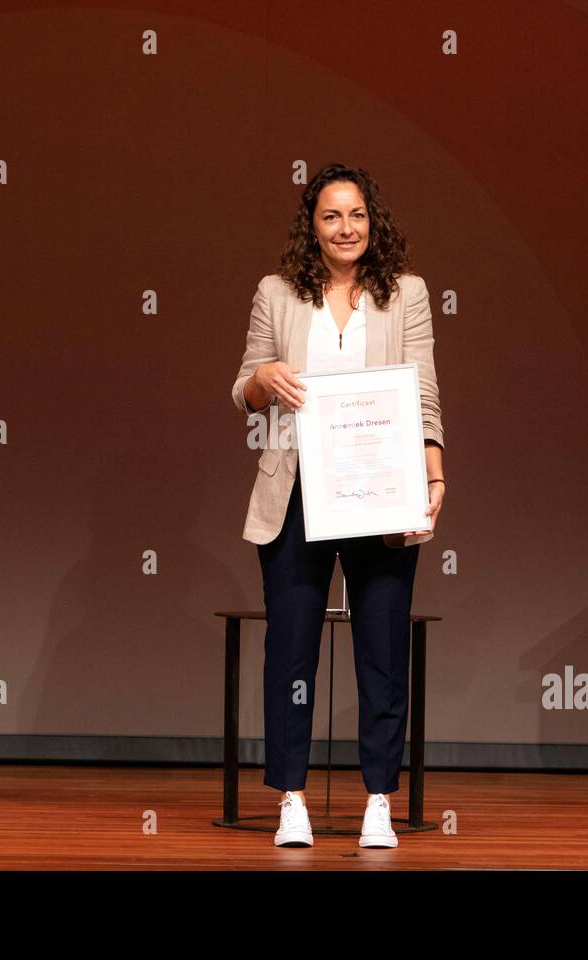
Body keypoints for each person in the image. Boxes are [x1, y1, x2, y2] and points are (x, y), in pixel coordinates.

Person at [231, 164, 445, 847]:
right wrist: (262, 379)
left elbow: (424, 393)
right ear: (312, 226)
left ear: (371, 221)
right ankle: (291, 796)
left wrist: (432, 478)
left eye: (356, 215)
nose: (346, 228)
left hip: (379, 490)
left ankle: (378, 799)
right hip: (295, 489)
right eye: (331, 216)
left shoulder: (406, 292)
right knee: (290, 650)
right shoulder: (277, 291)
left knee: (381, 649)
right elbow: (244, 387)